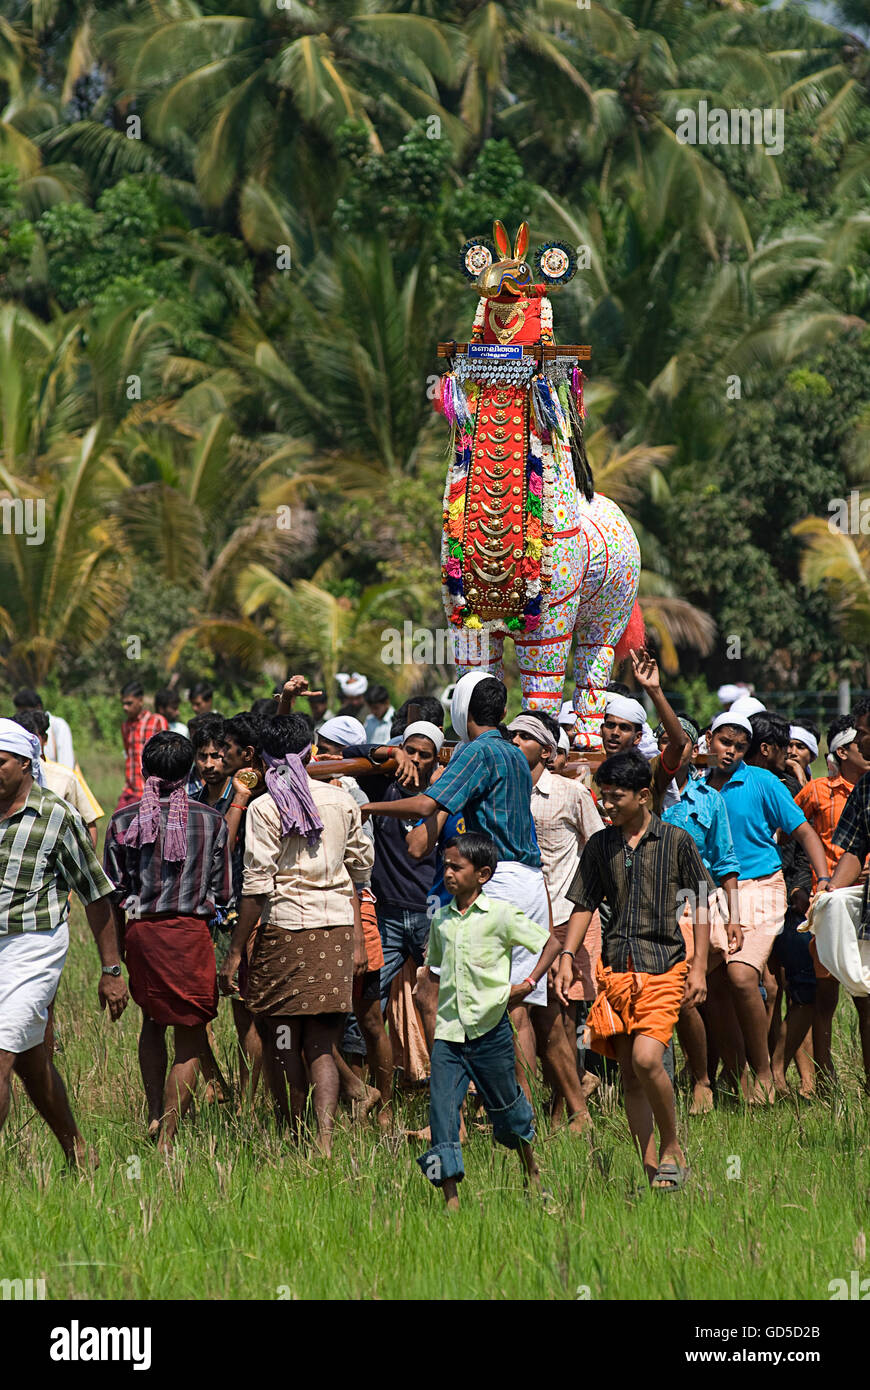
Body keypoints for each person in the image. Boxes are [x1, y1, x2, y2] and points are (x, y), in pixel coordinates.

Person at [362, 674, 551, 1102]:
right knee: (515, 1004)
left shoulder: (476, 751)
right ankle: (519, 1112)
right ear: (503, 714)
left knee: (434, 992)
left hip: (495, 881)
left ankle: (455, 1110)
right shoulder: (515, 754)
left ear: (460, 712)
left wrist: (366, 806)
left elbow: (427, 804)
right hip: (529, 882)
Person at [555, 751, 713, 1190]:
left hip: (664, 966)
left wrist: (698, 967)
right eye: (603, 796)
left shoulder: (677, 840)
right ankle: (651, 1168)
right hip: (617, 971)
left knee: (647, 1060)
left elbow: (700, 901)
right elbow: (583, 904)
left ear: (644, 796)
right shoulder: (601, 845)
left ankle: (672, 1145)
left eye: (615, 797)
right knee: (628, 1072)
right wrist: (567, 957)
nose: (606, 805)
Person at [220, 714, 374, 1156]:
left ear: (264, 759)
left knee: (284, 1034)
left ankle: (294, 1132)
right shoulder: (341, 800)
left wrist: (234, 953)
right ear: (310, 752)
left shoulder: (265, 807)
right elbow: (361, 866)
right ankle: (324, 1140)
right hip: (334, 931)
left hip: (284, 930)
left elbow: (255, 885)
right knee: (322, 1040)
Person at [0, 719, 128, 1167]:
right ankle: (79, 1153)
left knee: (1, 1055)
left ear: (24, 764)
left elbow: (96, 893)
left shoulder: (57, 816)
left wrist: (111, 969)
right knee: (32, 1063)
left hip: (32, 946)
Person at [417, 833, 561, 1211]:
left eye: (456, 867)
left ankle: (531, 1168)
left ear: (482, 874)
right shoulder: (442, 921)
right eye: (444, 866)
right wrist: (426, 1002)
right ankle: (451, 1199)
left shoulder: (500, 916)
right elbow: (433, 970)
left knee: (509, 1110)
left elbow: (551, 944)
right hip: (449, 1034)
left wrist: (528, 984)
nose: (447, 873)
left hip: (490, 1031)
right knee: (441, 1113)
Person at [104, 732, 232, 1152]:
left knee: (152, 1021)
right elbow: (223, 891)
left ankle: (155, 1110)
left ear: (144, 770)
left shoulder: (123, 820)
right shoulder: (212, 819)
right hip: (190, 935)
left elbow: (113, 890)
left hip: (141, 934)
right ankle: (169, 1137)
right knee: (191, 1034)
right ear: (190, 769)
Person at [704, 711, 830, 1103]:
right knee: (711, 984)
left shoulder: (763, 782)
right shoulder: (697, 786)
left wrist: (823, 878)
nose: (731, 752)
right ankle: (728, 1072)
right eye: (725, 742)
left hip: (760, 885)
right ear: (710, 740)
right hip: (709, 891)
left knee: (743, 977)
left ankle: (762, 1072)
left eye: (740, 746)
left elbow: (803, 831)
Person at [509, 712, 604, 1133]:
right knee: (523, 1017)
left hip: (567, 919)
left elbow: (598, 849)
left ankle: (571, 1109)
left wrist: (589, 908)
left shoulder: (571, 793)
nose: (513, 740)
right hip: (518, 918)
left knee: (561, 1021)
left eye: (524, 736)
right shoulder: (502, 792)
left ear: (546, 751)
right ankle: (545, 1108)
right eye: (510, 733)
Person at [656, 718, 743, 1113]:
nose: (671, 747)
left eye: (678, 742)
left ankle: (706, 1080)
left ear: (694, 748)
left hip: (696, 902)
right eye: (663, 740)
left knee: (695, 996)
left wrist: (734, 917)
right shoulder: (648, 791)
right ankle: (667, 1081)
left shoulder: (709, 799)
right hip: (653, 902)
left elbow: (725, 862)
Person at [313, 715, 392, 1126]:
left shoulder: (352, 791)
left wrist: (360, 932)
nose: (319, 755)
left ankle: (381, 1105)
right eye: (317, 746)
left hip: (355, 905)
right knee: (337, 1016)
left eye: (328, 749)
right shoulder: (313, 787)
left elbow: (359, 867)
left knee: (365, 1016)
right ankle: (358, 1097)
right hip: (329, 908)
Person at [791, 715, 869, 1089]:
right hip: (833, 903)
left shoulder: (865, 789)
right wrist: (810, 887)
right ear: (844, 750)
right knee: (825, 995)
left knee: (864, 998)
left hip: (862, 902)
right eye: (861, 740)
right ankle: (824, 1078)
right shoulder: (817, 792)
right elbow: (790, 835)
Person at [745, 711, 815, 1097]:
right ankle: (758, 1073)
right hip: (753, 898)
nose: (790, 752)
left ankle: (775, 1070)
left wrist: (800, 889)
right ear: (768, 748)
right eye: (785, 744)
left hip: (789, 903)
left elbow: (805, 846)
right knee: (765, 987)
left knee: (796, 987)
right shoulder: (733, 787)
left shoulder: (787, 788)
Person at [820, 698, 870, 1092]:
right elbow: (853, 847)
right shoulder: (865, 787)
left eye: (867, 733)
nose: (862, 740)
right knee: (867, 1005)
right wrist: (833, 888)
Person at [12, 709, 103, 848]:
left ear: (44, 739)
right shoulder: (8, 779)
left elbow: (89, 823)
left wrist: (87, 865)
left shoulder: (64, 778)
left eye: (33, 739)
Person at [117, 682, 168, 811]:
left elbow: (166, 758)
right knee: (117, 826)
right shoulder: (125, 726)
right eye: (123, 703)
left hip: (151, 791)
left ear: (140, 701)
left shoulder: (156, 721)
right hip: (130, 790)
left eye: (129, 703)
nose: (125, 708)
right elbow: (129, 755)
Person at [12, 687, 75, 770]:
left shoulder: (58, 726)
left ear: (38, 707)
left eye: (26, 711)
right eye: (20, 712)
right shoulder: (19, 727)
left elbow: (66, 761)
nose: (23, 716)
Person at [787, 721, 820, 789]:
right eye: (789, 746)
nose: (793, 752)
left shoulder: (818, 788)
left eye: (800, 747)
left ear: (812, 756)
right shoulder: (774, 781)